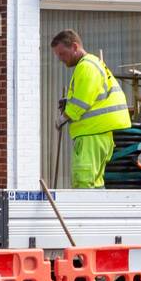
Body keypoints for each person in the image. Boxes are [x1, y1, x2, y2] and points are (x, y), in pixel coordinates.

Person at [50, 29, 131, 188]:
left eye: (62, 54)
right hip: (99, 134)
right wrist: (69, 101)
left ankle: (83, 213)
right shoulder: (93, 64)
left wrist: (62, 118)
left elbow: (81, 102)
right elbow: (92, 95)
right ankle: (97, 212)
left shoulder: (86, 66)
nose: (60, 59)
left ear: (74, 47)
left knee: (83, 181)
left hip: (91, 134)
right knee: (95, 183)